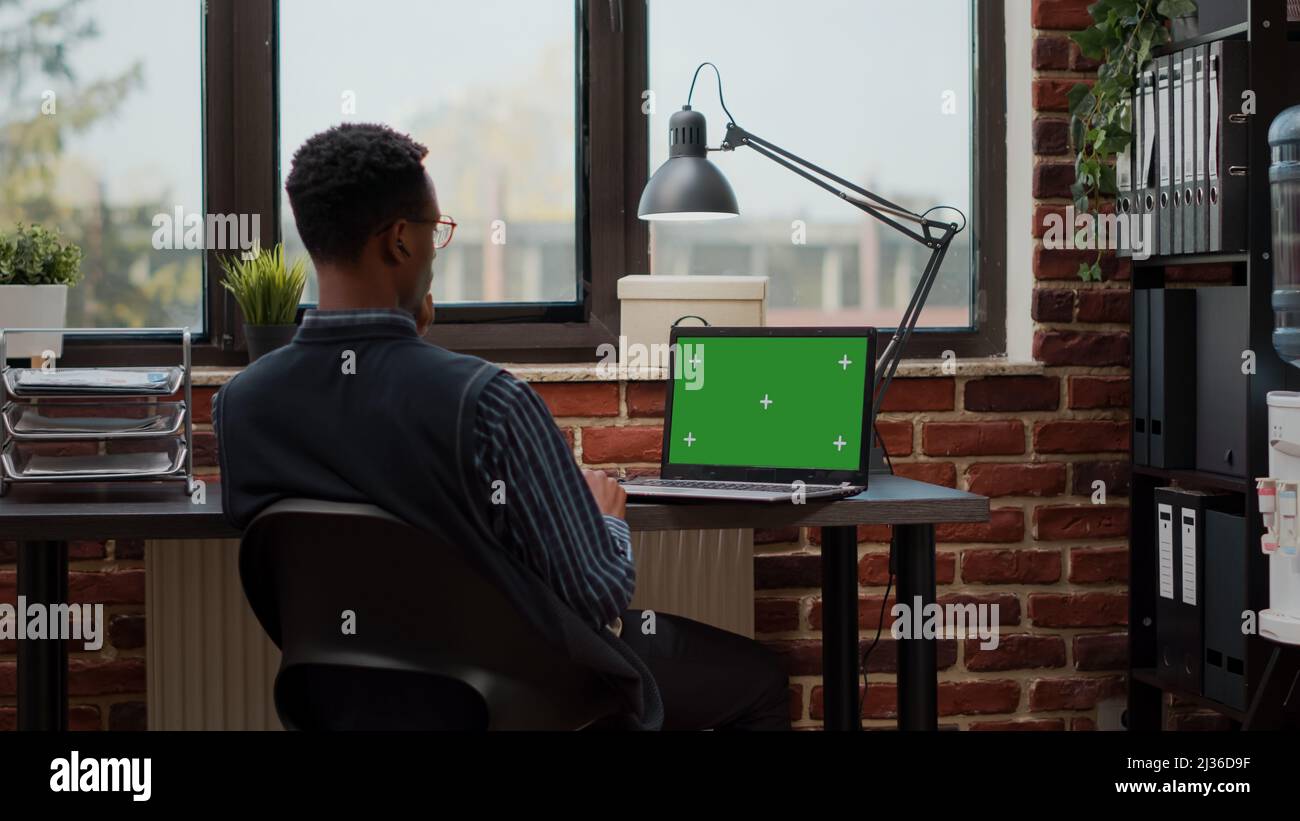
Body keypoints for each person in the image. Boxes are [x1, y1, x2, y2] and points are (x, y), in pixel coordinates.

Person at [214, 123, 790, 730]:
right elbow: (598, 593)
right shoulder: (487, 403)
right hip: (523, 698)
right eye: (435, 231)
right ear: (401, 242)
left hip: (342, 697)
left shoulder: (242, 406)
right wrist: (606, 522)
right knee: (758, 682)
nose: (437, 250)